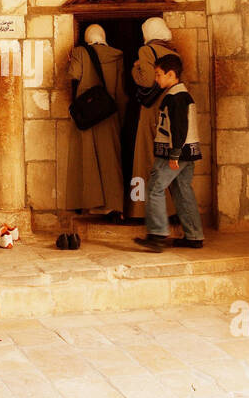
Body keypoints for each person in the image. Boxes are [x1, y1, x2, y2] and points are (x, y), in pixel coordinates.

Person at [135, 53, 205, 251]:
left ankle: (157, 235)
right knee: (182, 190)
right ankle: (194, 236)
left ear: (171, 74)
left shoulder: (175, 97)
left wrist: (174, 155)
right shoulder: (180, 95)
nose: (156, 79)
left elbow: (179, 128)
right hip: (186, 152)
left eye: (158, 75)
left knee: (154, 188)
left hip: (174, 154)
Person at [67, 24, 127, 218]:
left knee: (89, 159)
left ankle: (93, 204)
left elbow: (74, 74)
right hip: (109, 114)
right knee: (111, 160)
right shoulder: (117, 55)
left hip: (89, 113)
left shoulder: (80, 52)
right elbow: (121, 92)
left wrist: (71, 60)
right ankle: (114, 205)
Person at [128, 17, 178, 221]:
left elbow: (147, 80)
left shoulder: (146, 51)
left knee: (144, 159)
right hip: (169, 109)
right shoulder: (174, 53)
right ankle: (172, 209)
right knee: (167, 160)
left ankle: (140, 211)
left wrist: (135, 68)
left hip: (151, 111)